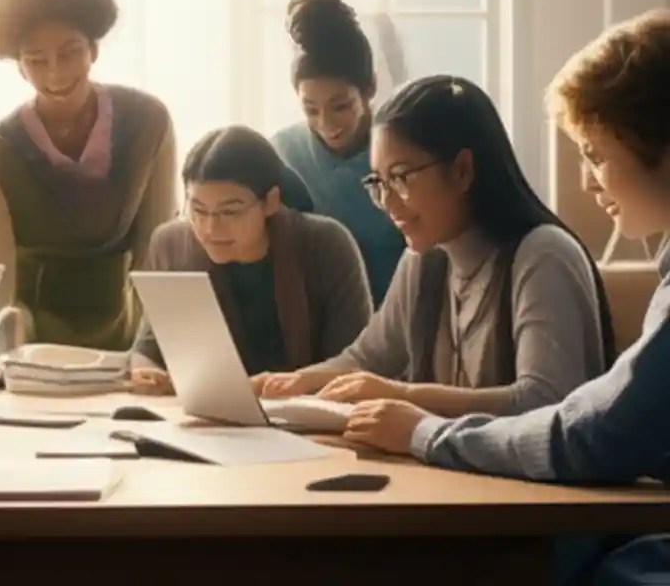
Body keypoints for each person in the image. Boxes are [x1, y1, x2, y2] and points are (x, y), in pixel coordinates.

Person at [342, 9, 670, 586]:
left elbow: (593, 433)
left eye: (596, 154)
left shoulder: (541, 252)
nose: (586, 181)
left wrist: (424, 431)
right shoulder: (424, 259)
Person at [257, 75, 616, 419]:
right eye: (379, 182)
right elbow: (368, 359)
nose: (387, 203)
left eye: (400, 177)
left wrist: (403, 396)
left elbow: (546, 401)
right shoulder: (424, 258)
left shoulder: (543, 255)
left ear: (462, 170)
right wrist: (288, 385)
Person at [0, 0, 177, 355]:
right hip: (29, 338)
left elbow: (156, 250)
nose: (56, 74)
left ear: (93, 50)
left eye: (70, 53)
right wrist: (7, 360)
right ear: (19, 67)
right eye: (36, 60)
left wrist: (152, 354)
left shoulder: (148, 122)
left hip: (128, 332)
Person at [129, 126, 372, 395]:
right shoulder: (172, 244)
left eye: (230, 212)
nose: (210, 229)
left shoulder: (325, 245)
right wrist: (146, 372)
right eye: (198, 210)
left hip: (305, 408)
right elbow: (148, 347)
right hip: (203, 409)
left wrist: (282, 386)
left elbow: (355, 362)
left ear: (271, 201)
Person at [271, 0, 406, 306]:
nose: (326, 123)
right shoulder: (283, 153)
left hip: (397, 317)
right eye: (310, 109)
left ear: (370, 89)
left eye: (340, 106)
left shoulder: (405, 151)